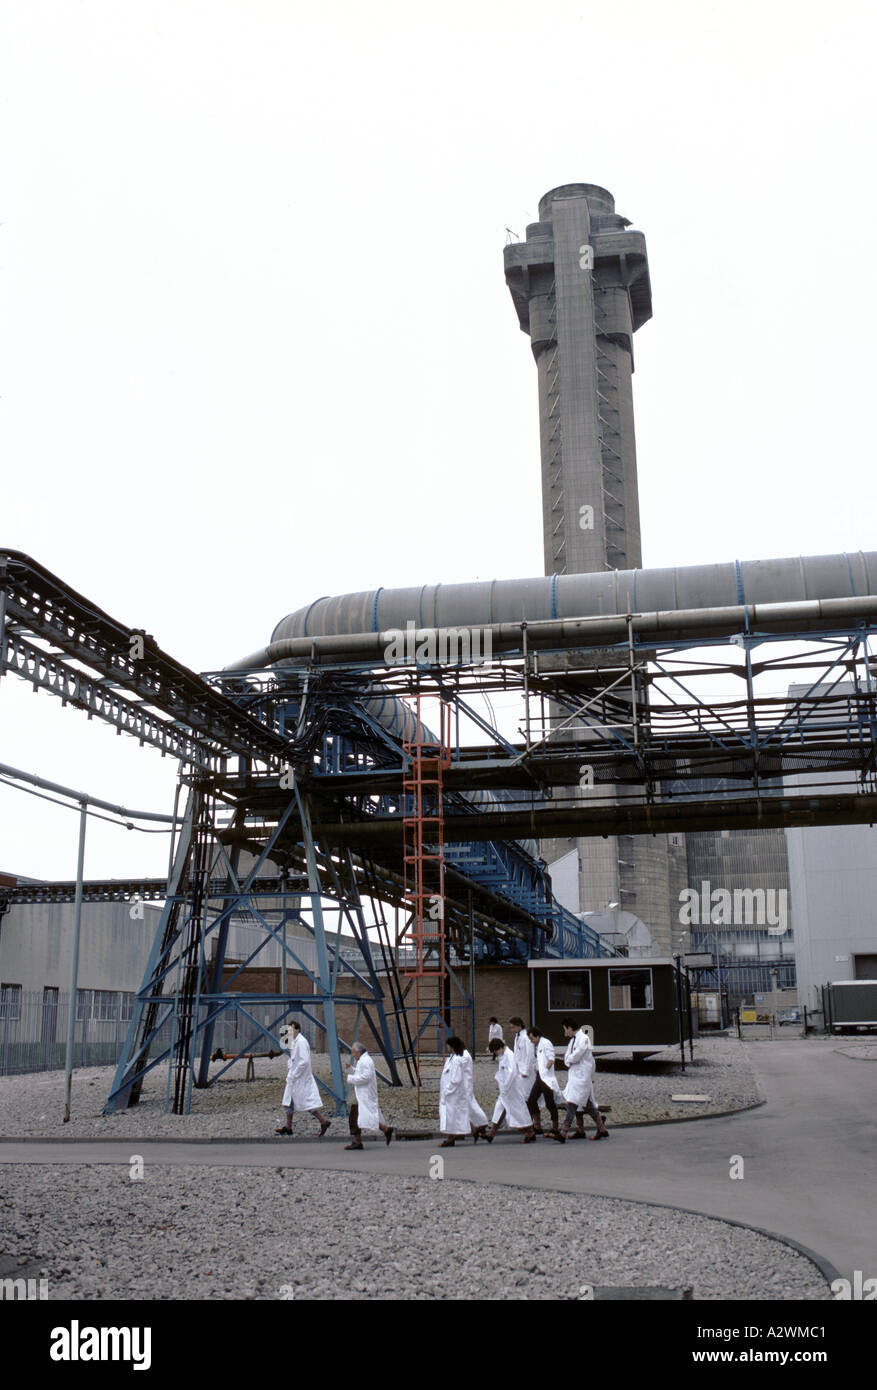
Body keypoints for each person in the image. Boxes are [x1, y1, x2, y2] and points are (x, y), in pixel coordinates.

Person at [274, 1021, 331, 1137]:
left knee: (306, 1103)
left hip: (301, 1079)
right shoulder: (293, 1042)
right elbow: (293, 1058)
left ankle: (324, 1121)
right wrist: (290, 1067)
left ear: (298, 1030)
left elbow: (303, 1062)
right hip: (294, 1078)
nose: (290, 1032)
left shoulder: (301, 1042)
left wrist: (294, 1074)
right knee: (288, 1102)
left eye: (292, 1029)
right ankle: (288, 1127)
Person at [558, 1019, 610, 1140]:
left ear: (570, 1028)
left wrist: (569, 1060)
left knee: (572, 1102)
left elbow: (576, 1056)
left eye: (565, 1029)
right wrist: (569, 1060)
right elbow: (567, 1057)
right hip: (575, 1077)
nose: (565, 1032)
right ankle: (602, 1129)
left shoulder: (584, 1039)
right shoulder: (572, 1041)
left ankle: (563, 1132)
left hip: (581, 1077)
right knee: (586, 1104)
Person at [484, 1038, 536, 1142]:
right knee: (499, 1108)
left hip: (513, 1089)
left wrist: (506, 1086)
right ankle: (491, 1133)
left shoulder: (509, 1055)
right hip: (505, 1090)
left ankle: (530, 1132)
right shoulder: (502, 1055)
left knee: (519, 1111)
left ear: (500, 1047)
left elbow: (512, 1073)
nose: (496, 1054)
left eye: (496, 1051)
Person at [344, 1041, 394, 1149]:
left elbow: (365, 1077)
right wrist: (351, 1070)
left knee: (355, 1116)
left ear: (358, 1052)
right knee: (362, 1115)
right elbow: (361, 1073)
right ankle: (385, 1129)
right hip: (362, 1093)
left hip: (364, 1094)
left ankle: (358, 1141)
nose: (353, 1055)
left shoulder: (365, 1061)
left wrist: (350, 1078)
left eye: (353, 1053)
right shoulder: (363, 1060)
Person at [526, 1026, 565, 1141]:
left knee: (550, 1103)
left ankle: (555, 1128)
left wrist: (545, 1070)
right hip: (539, 1077)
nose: (531, 1040)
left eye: (532, 1038)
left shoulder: (546, 1043)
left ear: (537, 1035)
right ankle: (537, 1126)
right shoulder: (537, 1045)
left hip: (546, 1078)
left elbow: (551, 1059)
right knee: (531, 1100)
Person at [438, 1036, 473, 1146]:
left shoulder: (457, 1060)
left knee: (452, 1115)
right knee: (452, 1115)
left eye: (448, 1045)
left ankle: (450, 1138)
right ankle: (452, 1137)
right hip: (451, 1093)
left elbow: (456, 1079)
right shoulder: (452, 1058)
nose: (447, 1047)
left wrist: (448, 1090)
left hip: (453, 1093)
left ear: (451, 1046)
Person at [460, 1042, 489, 1141]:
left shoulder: (464, 1056)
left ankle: (480, 1124)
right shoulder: (463, 1055)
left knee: (468, 1106)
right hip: (464, 1085)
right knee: (467, 1107)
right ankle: (475, 1127)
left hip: (464, 1085)